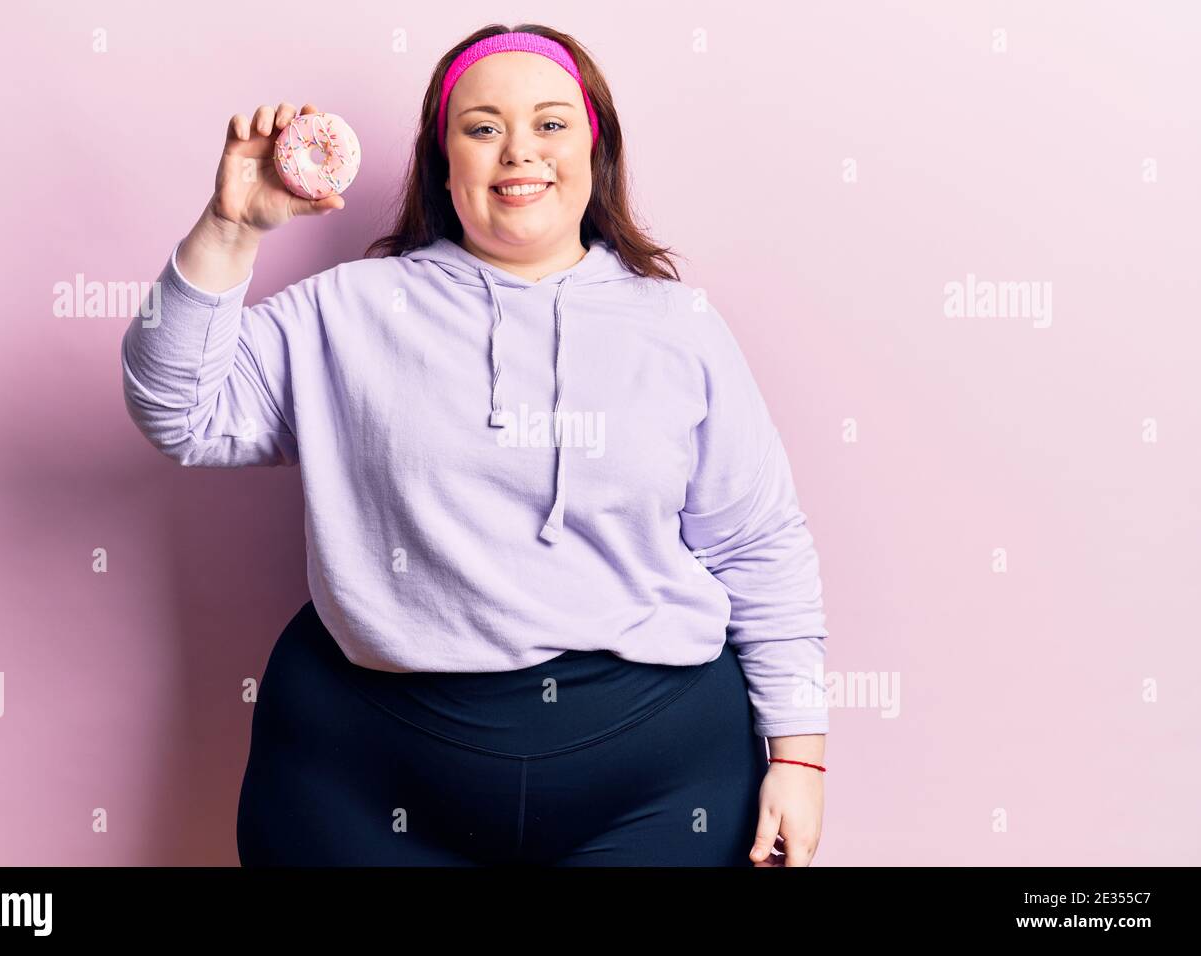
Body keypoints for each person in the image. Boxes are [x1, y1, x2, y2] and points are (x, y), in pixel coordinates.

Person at [120, 23, 830, 867]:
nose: (519, 152)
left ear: (596, 150)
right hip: (369, 771)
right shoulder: (346, 309)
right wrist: (229, 229)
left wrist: (798, 752)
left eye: (553, 125)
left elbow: (759, 545)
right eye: (483, 127)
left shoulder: (681, 326)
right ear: (442, 159)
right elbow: (179, 412)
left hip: (655, 779)